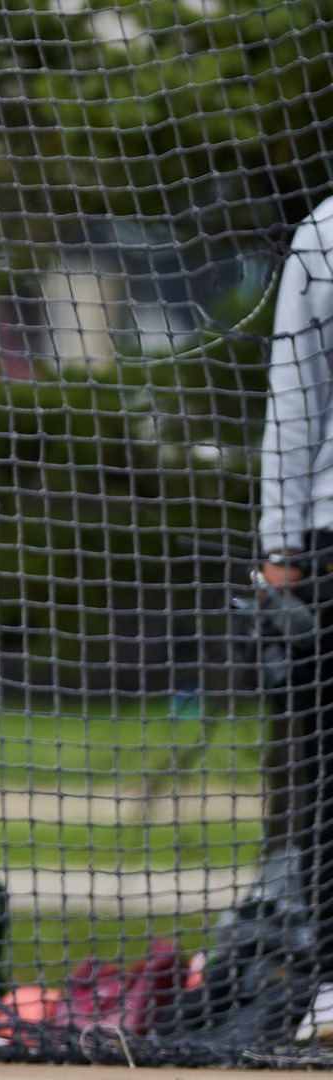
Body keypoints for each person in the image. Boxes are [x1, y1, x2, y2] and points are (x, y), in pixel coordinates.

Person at [255, 191, 333, 987]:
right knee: (328, 770)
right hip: (330, 536)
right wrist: (282, 547)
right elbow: (295, 396)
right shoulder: (325, 230)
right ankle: (331, 981)